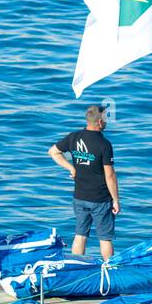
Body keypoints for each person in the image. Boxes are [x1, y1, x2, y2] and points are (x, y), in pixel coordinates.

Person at [48, 104, 120, 259]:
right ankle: (109, 270)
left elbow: (53, 152)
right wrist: (115, 200)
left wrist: (71, 168)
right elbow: (110, 175)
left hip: (79, 197)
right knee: (105, 238)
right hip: (100, 199)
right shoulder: (104, 144)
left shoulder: (74, 137)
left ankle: (76, 268)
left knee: (80, 235)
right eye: (105, 119)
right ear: (100, 122)